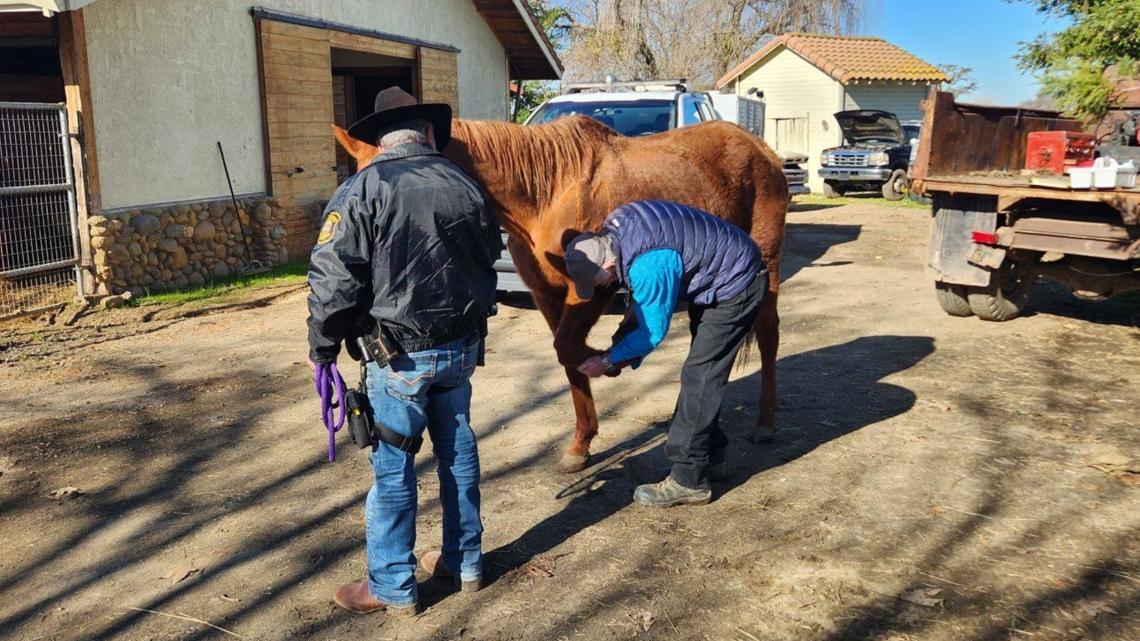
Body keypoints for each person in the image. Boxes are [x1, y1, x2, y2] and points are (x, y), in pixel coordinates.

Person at [307, 88, 502, 616]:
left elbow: (333, 279)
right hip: (460, 349)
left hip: (398, 358)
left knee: (393, 467)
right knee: (458, 453)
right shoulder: (467, 183)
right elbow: (490, 254)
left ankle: (392, 586)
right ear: (430, 133)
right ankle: (465, 562)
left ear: (379, 140)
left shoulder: (361, 189)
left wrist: (322, 347)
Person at [565, 200, 765, 508]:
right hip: (719, 267)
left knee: (700, 376)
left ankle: (689, 481)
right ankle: (711, 458)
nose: (602, 286)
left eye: (597, 282)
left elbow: (652, 333)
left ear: (605, 265)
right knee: (703, 375)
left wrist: (607, 360)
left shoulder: (649, 264)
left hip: (737, 284)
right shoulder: (616, 226)